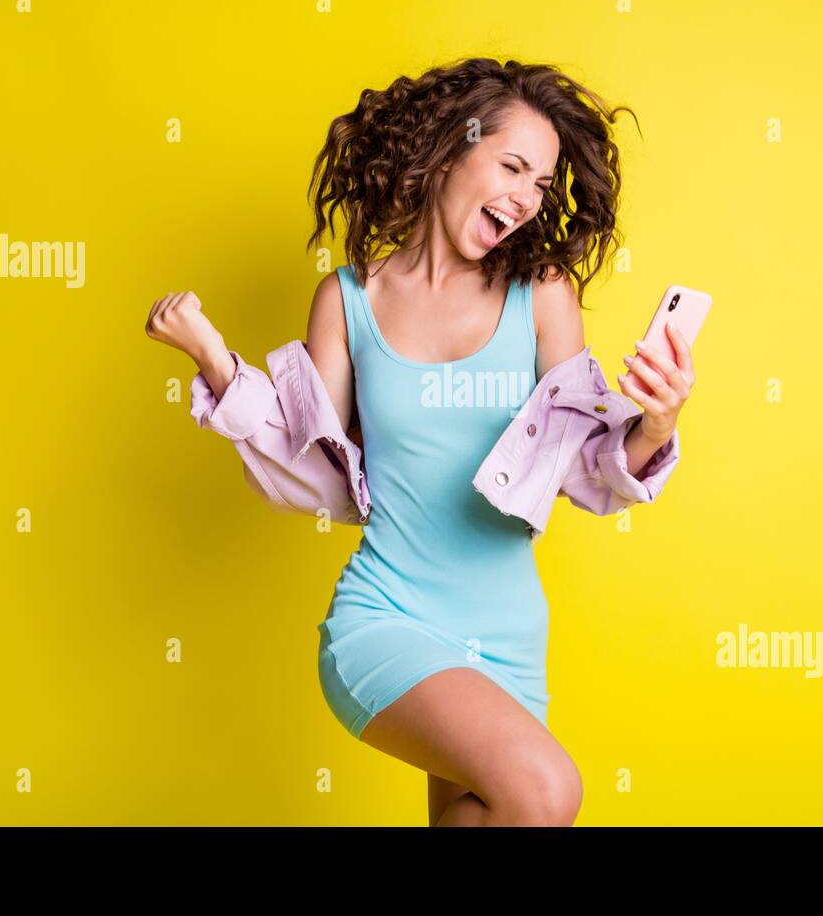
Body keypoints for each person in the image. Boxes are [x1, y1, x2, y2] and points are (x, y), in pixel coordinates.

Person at [146, 57, 695, 825]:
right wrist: (216, 360)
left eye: (541, 185)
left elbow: (584, 468)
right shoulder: (347, 301)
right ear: (448, 149)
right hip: (388, 618)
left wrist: (656, 422)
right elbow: (321, 473)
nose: (526, 198)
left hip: (508, 638)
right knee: (545, 792)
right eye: (511, 166)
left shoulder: (540, 296)